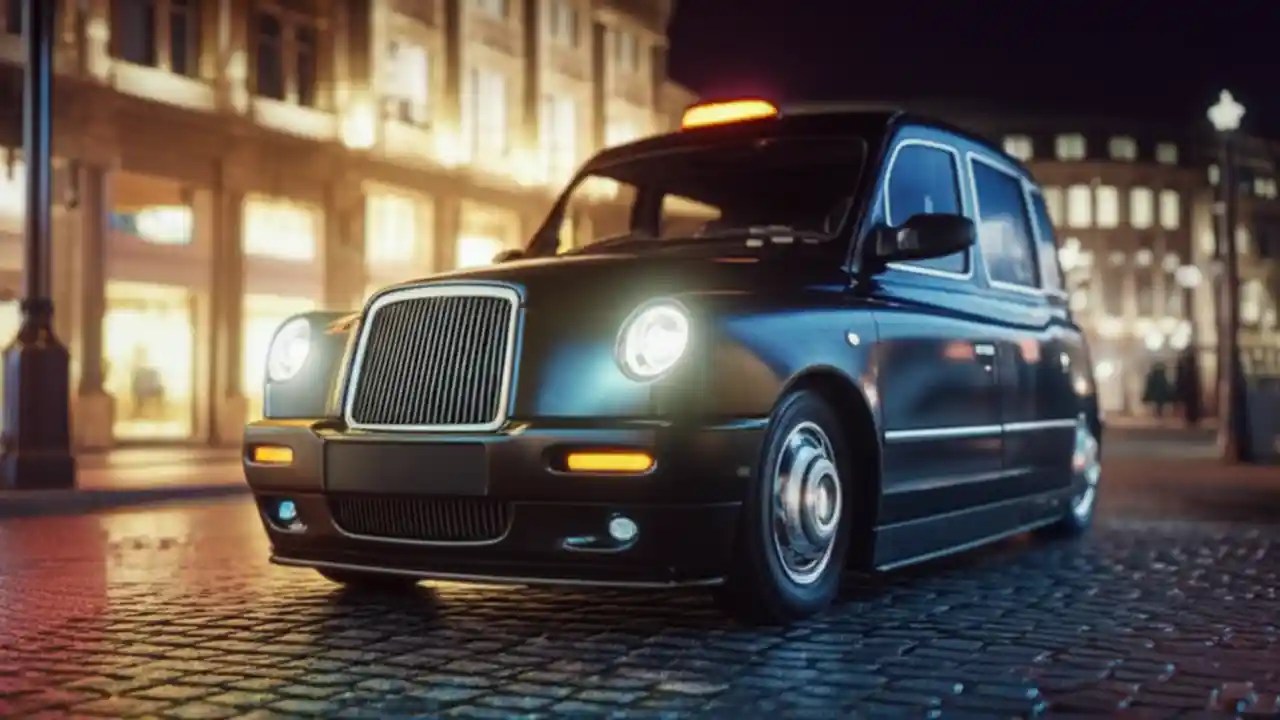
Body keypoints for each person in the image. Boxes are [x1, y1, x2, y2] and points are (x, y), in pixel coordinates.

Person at [1174, 347, 1202, 427]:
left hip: (1188, 389)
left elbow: (1181, 379)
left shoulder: (1186, 367)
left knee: (1189, 404)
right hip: (1191, 390)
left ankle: (1190, 418)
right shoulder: (1191, 367)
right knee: (1191, 404)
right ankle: (1191, 418)